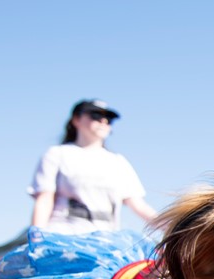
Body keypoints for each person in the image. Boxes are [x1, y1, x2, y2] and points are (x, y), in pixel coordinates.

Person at [30, 99, 155, 234]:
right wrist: (37, 236)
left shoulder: (118, 162)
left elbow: (138, 205)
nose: (103, 121)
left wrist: (175, 227)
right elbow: (45, 199)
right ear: (76, 120)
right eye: (95, 116)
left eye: (109, 119)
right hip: (63, 237)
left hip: (107, 242)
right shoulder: (57, 154)